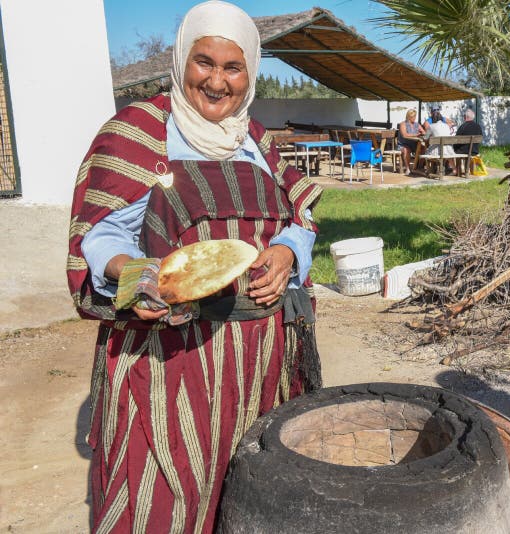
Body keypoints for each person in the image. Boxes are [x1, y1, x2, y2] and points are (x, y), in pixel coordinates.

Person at [66, 2, 322, 531]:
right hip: (171, 359)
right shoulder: (137, 132)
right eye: (204, 62)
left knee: (252, 490)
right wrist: (142, 276)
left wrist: (288, 252)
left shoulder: (257, 141)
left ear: (249, 72)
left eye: (233, 68)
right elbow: (101, 237)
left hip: (261, 364)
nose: (217, 81)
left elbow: (300, 215)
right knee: (164, 491)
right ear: (182, 61)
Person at [397, 108, 424, 175]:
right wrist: (416, 134)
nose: (414, 118)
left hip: (414, 144)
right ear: (408, 116)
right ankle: (408, 168)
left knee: (424, 149)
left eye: (415, 116)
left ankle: (418, 167)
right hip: (404, 144)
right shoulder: (403, 124)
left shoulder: (417, 124)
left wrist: (423, 132)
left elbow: (423, 131)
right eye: (413, 116)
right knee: (406, 150)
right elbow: (404, 135)